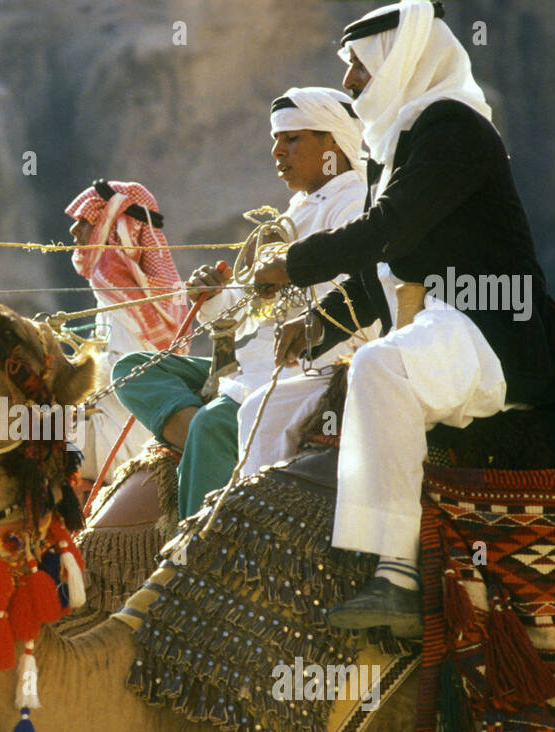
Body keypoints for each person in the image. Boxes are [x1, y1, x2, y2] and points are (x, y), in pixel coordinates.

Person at [250, 0, 555, 635]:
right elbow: (382, 271)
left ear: (400, 62)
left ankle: (395, 577)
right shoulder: (400, 142)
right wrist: (320, 325)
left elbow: (389, 229)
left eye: (358, 67)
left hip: (496, 328)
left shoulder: (455, 129)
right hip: (446, 322)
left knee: (381, 369)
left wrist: (293, 265)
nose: (352, 83)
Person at [112, 88, 367, 520]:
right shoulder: (299, 210)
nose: (276, 152)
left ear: (333, 142)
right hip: (253, 362)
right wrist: (215, 298)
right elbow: (253, 314)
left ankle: (196, 555)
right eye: (275, 140)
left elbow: (354, 300)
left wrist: (288, 283)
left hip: (308, 363)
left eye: (292, 139)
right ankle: (205, 436)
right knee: (133, 370)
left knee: (213, 425)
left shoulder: (356, 203)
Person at [63, 180, 188, 487]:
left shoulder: (128, 300)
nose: (73, 231)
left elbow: (124, 381)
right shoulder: (123, 296)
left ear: (110, 226)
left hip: (122, 441)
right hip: (110, 426)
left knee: (12, 430)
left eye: (84, 222)